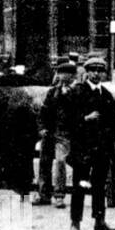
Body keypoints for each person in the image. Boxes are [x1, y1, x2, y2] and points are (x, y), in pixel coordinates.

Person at [62, 57, 115, 230]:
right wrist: (84, 119)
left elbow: (114, 123)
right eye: (93, 70)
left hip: (101, 149)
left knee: (99, 185)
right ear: (86, 72)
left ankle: (99, 220)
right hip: (83, 148)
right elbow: (66, 120)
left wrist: (108, 139)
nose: (96, 73)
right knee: (79, 185)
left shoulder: (106, 95)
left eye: (100, 70)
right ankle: (75, 222)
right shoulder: (77, 92)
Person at [36, 62, 77, 207]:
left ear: (72, 75)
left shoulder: (77, 92)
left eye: (64, 73)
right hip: (50, 132)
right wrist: (42, 128)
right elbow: (43, 112)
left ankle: (59, 195)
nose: (60, 76)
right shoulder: (52, 91)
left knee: (60, 161)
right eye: (59, 73)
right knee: (44, 161)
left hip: (66, 134)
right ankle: (44, 194)